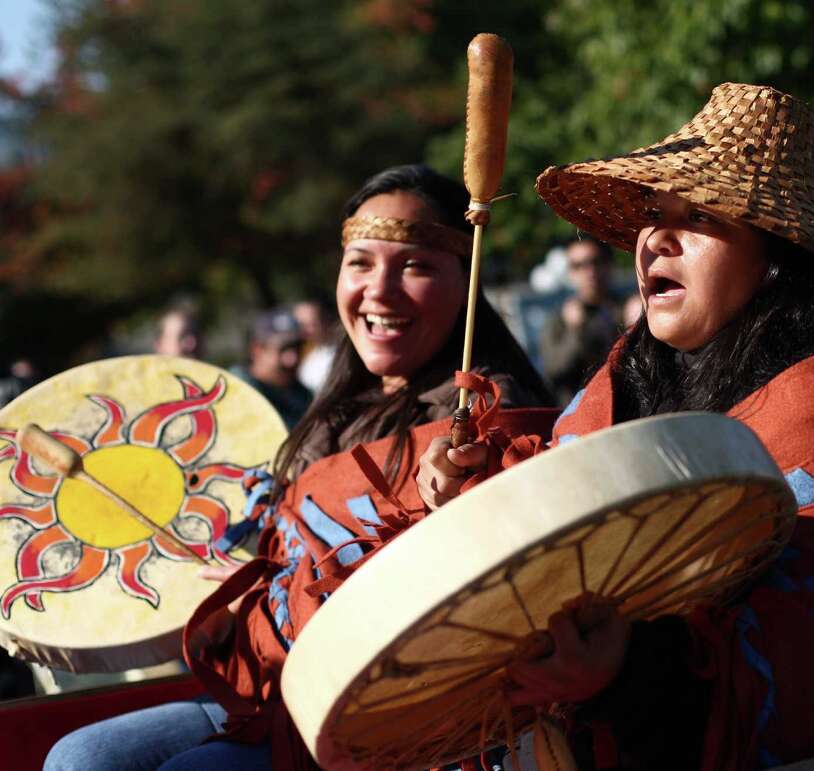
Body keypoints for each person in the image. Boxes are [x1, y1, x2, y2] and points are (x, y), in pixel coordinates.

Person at [418, 83, 814, 768]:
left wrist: (630, 666)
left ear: (779, 255)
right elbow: (564, 495)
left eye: (699, 215)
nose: (655, 239)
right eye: (653, 212)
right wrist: (479, 484)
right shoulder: (634, 369)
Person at [43, 165, 554, 771]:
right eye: (360, 263)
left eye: (415, 266)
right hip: (268, 691)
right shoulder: (335, 405)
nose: (380, 292)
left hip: (391, 724)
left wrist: (472, 495)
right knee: (79, 758)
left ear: (465, 283)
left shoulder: (488, 414)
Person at [538, 236, 623, 405]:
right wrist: (574, 330)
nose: (589, 271)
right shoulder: (560, 320)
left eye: (595, 261)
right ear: (570, 272)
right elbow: (554, 371)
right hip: (580, 416)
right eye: (578, 266)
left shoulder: (627, 309)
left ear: (608, 264)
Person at [230, 309, 313, 429]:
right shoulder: (235, 393)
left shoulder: (304, 396)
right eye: (284, 349)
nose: (293, 359)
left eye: (297, 348)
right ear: (257, 350)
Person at [292, 299, 337, 394]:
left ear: (327, 321)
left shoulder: (347, 351)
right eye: (299, 325)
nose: (304, 331)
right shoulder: (300, 358)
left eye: (311, 325)